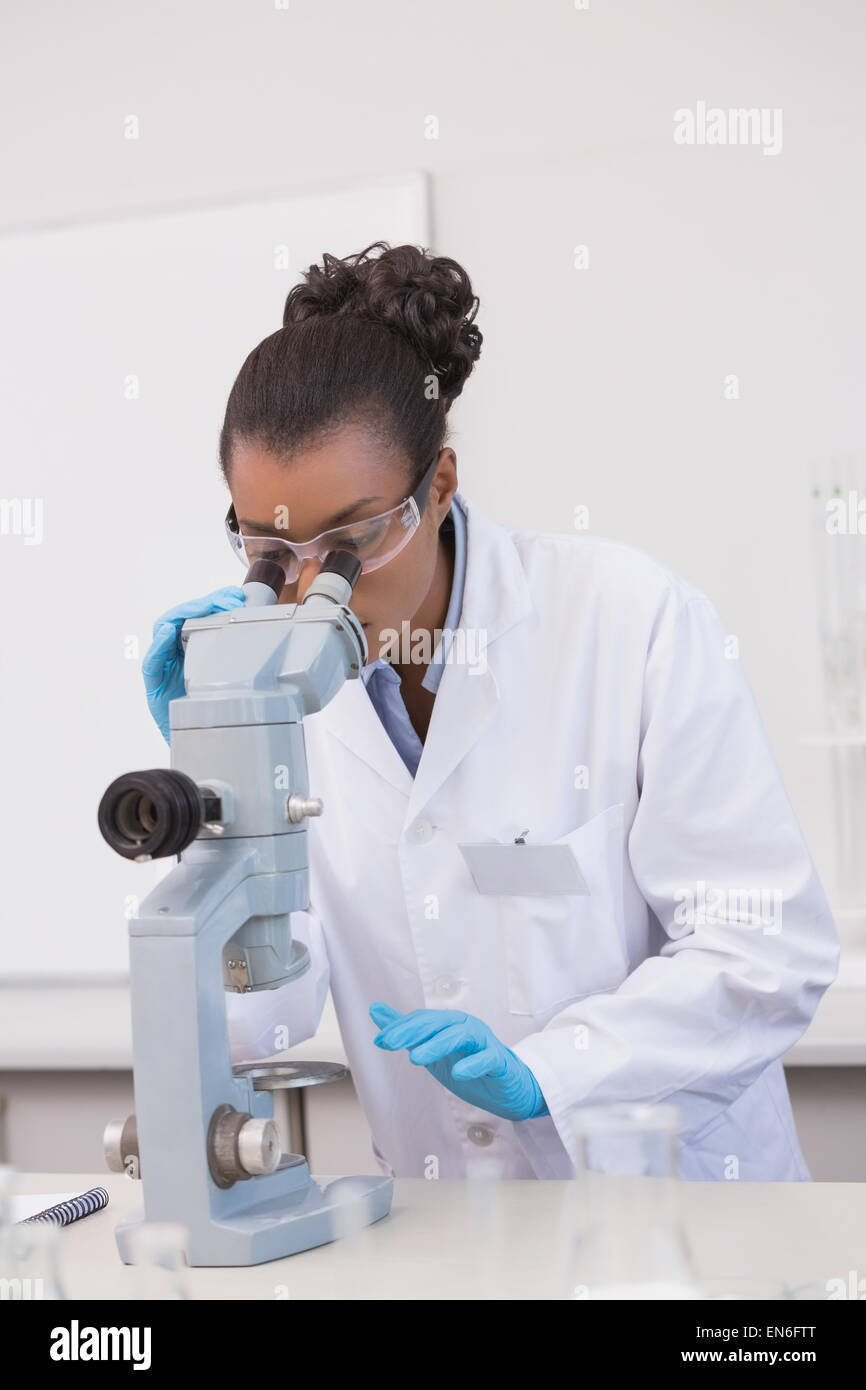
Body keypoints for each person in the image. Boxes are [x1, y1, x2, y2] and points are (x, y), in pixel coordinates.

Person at [143, 241, 838, 1181]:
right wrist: (216, 798)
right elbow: (260, 1010)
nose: (311, 590)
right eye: (268, 547)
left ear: (439, 488)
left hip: (678, 1217)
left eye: (348, 543)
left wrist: (554, 1070)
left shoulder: (628, 620)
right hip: (450, 1227)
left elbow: (763, 949)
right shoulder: (260, 690)